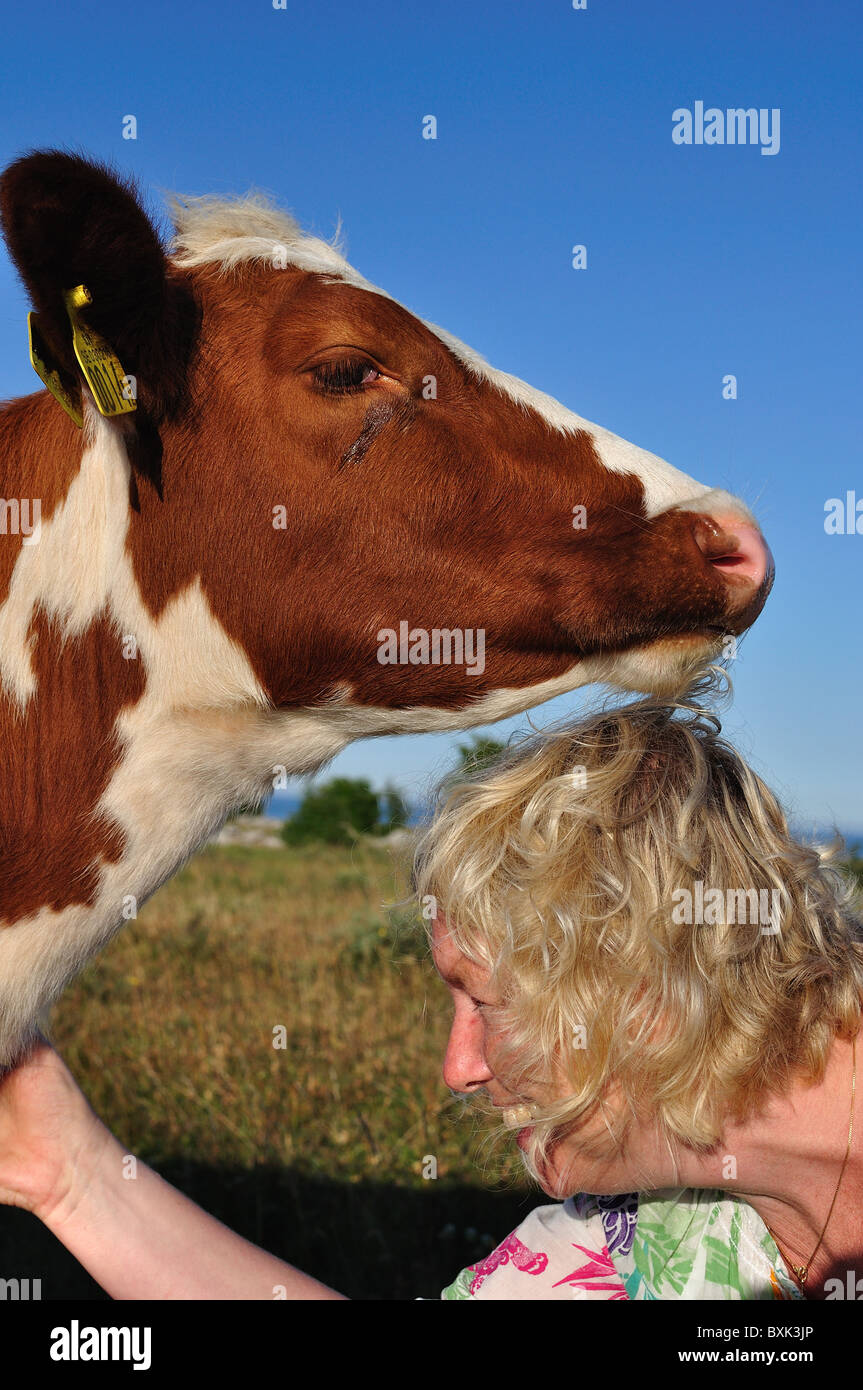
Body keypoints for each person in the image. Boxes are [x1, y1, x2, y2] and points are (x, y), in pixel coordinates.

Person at [0, 689, 861, 1300]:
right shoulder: (623, 1247)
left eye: (481, 1003)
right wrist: (71, 1176)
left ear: (640, 985)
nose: (458, 1070)